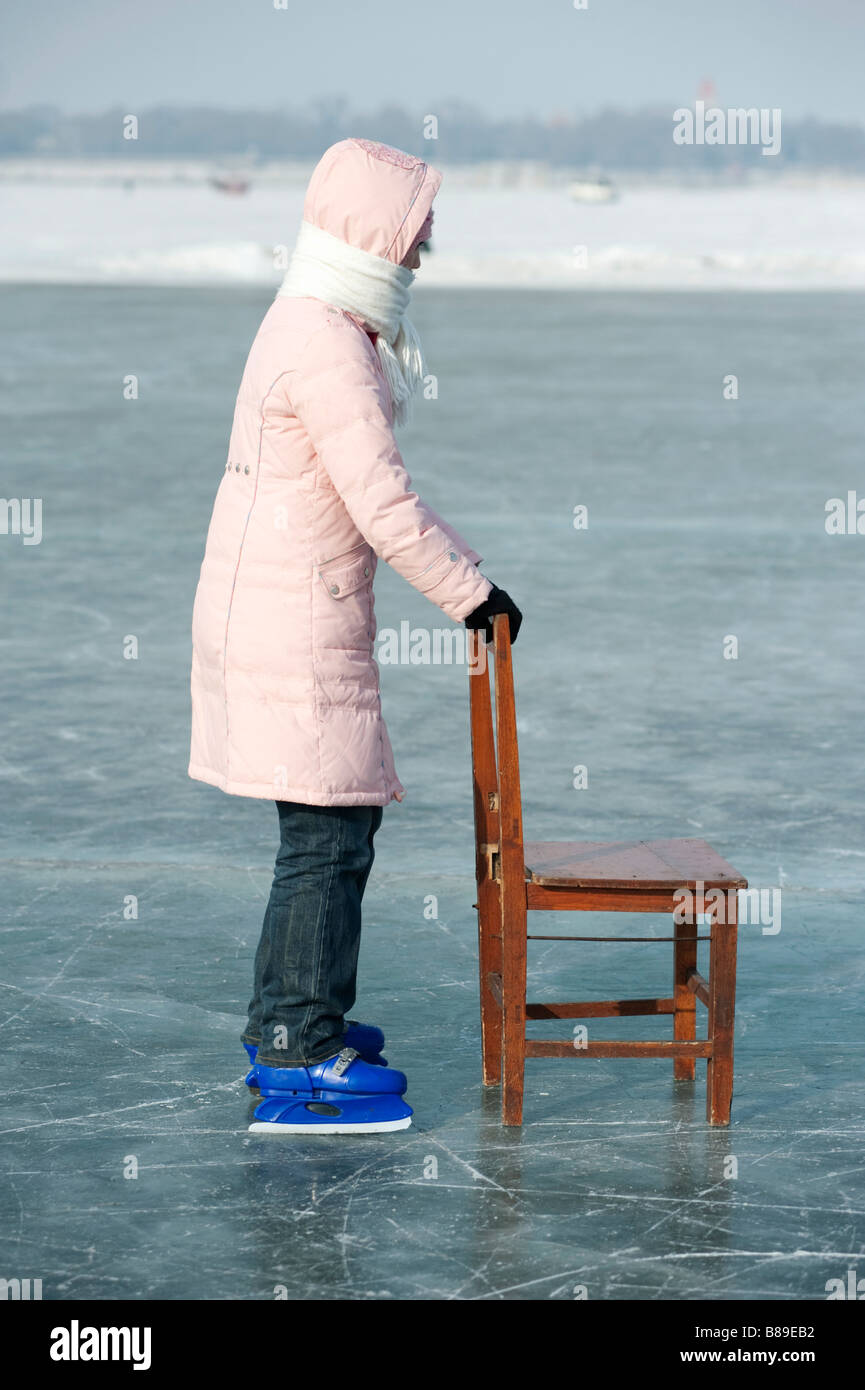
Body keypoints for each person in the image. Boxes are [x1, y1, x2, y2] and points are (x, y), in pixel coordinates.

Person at [188, 138, 521, 1134]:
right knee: (328, 833)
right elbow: (383, 505)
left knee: (329, 828)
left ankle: (289, 1018)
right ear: (372, 235)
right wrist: (475, 595)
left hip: (287, 609)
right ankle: (297, 1046)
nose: (424, 252)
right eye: (416, 232)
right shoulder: (328, 347)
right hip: (291, 624)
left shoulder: (310, 321)